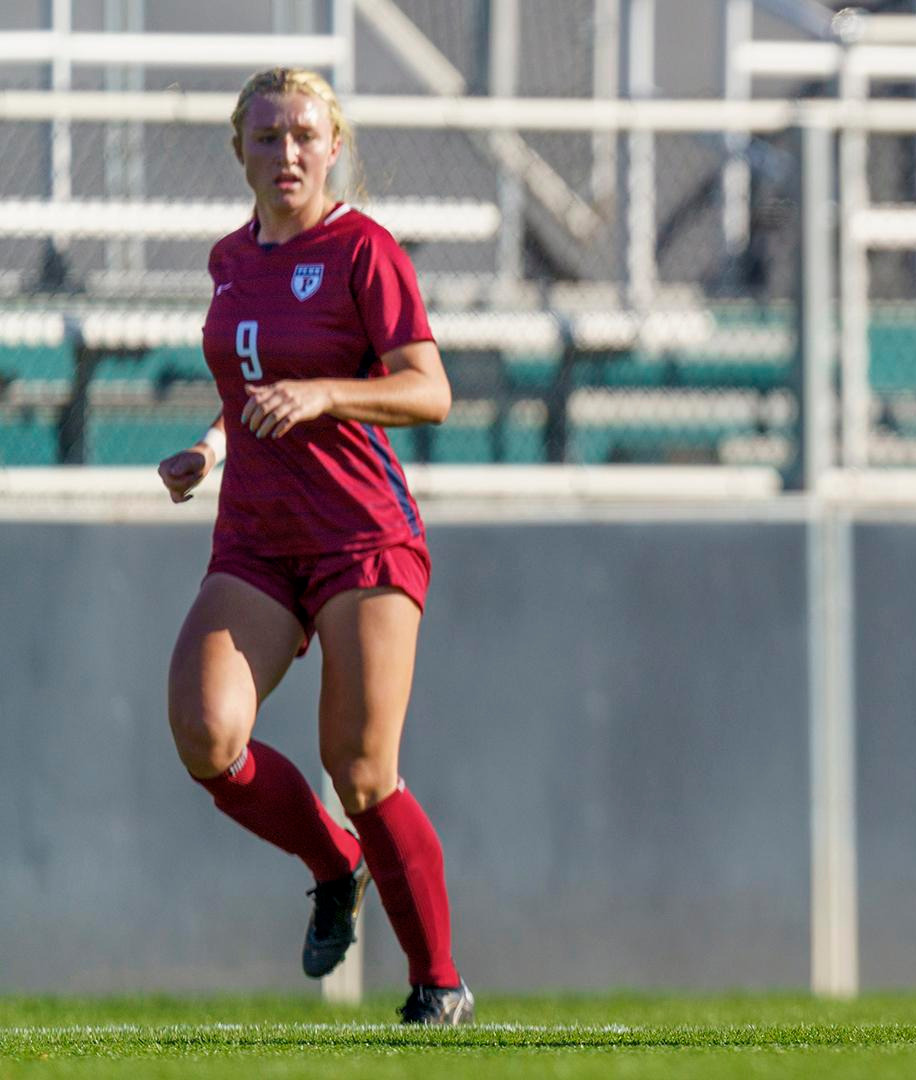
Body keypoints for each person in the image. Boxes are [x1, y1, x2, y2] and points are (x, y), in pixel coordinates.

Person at [156, 67, 472, 1025]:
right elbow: (249, 381)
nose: (285, 153)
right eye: (266, 137)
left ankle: (438, 986)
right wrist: (211, 447)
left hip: (359, 535)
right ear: (239, 151)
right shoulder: (227, 259)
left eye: (303, 135)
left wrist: (331, 392)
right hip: (257, 535)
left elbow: (430, 390)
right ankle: (335, 865)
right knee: (208, 736)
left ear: (334, 145)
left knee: (362, 769)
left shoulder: (362, 251)